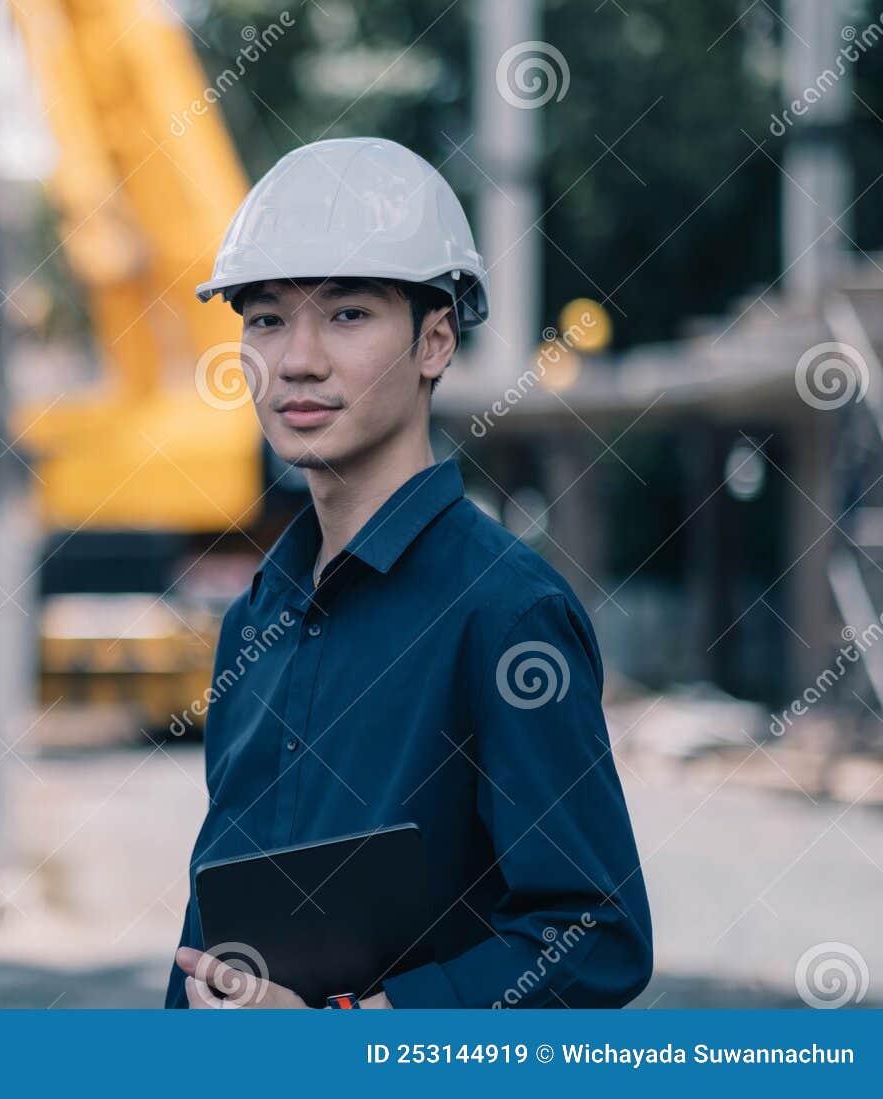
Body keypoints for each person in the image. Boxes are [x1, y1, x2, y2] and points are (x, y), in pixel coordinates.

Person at [166, 138, 652, 1009]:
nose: (297, 359)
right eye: (266, 319)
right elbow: (218, 926)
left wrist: (362, 1032)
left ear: (435, 341)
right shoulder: (255, 619)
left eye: (348, 314)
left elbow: (595, 933)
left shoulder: (505, 612)